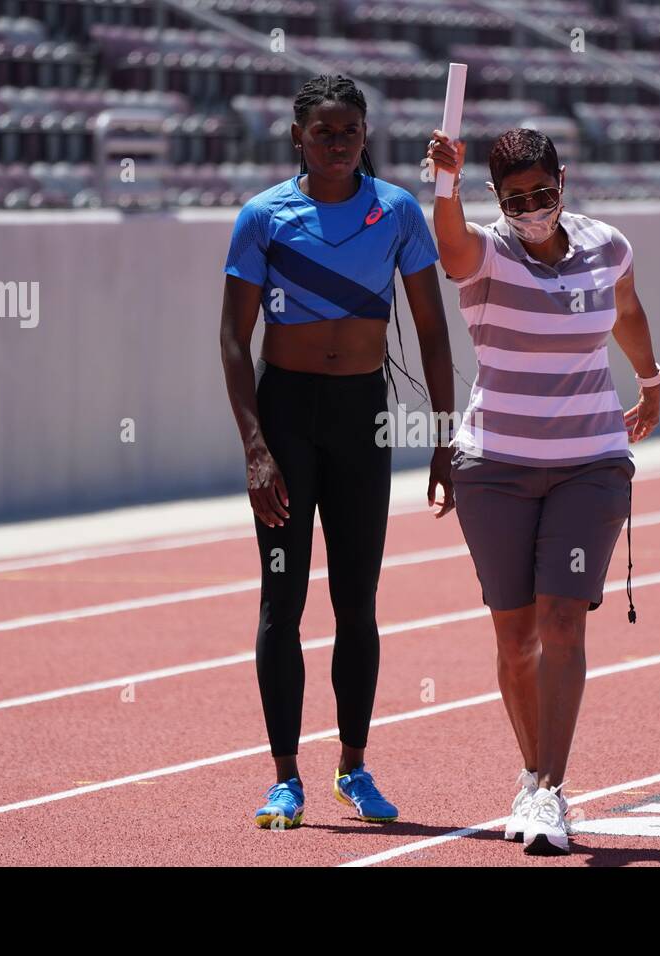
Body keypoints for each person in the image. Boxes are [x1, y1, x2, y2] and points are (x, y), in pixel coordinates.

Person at [221, 74, 456, 830]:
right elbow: (233, 338)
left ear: (365, 134)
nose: (336, 142)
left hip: (363, 419)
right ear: (298, 136)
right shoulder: (263, 217)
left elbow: (431, 329)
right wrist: (255, 445)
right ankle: (285, 776)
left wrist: (444, 438)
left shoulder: (395, 211)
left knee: (357, 603)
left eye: (348, 130)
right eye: (322, 131)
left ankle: (353, 766)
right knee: (280, 602)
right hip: (286, 417)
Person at [425, 126, 660, 855]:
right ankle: (532, 775)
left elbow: (624, 309)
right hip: (495, 466)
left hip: (590, 462)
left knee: (563, 622)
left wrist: (650, 382)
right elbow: (449, 245)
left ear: (564, 180)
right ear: (497, 199)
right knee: (515, 634)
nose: (533, 207)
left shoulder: (607, 245)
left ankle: (552, 790)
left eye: (544, 192)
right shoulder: (487, 252)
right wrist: (445, 185)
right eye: (516, 197)